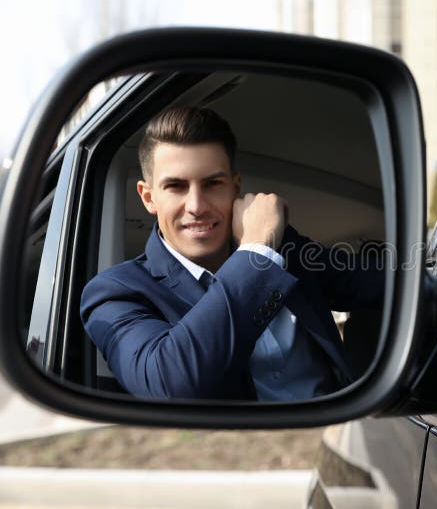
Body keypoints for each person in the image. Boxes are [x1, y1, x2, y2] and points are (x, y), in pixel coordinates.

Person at [80, 107, 383, 401]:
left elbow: (378, 283)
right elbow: (171, 384)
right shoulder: (113, 293)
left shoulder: (286, 247)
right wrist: (258, 253)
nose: (197, 206)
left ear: (235, 187)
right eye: (176, 186)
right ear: (149, 197)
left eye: (212, 184)